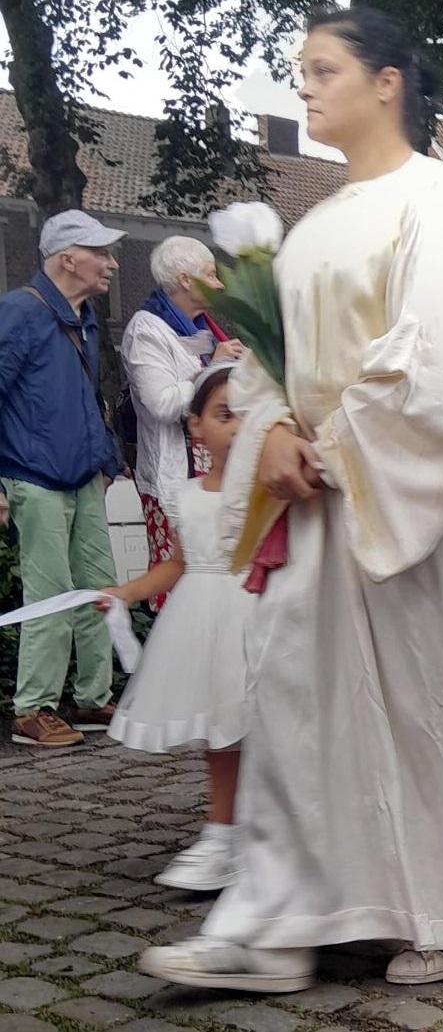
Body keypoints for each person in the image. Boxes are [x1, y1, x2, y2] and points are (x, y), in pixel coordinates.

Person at [138, 6, 443, 992]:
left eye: (322, 69)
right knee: (297, 703)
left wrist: (336, 444)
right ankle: (282, 923)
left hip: (415, 493)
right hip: (315, 495)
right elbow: (275, 363)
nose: (304, 87)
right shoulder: (315, 227)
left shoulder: (436, 203)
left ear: (386, 82)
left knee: (421, 700)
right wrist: (271, 429)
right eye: (300, 71)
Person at [101, 366, 250, 891]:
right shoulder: (188, 495)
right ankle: (222, 831)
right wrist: (127, 592)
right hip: (206, 619)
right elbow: (176, 564)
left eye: (247, 414)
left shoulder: (268, 490)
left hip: (258, 617)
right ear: (196, 426)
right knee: (220, 734)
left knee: (262, 728)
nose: (236, 426)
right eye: (223, 414)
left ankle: (262, 831)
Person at [0, 210, 125, 749]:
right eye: (101, 252)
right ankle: (33, 708)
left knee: (99, 589)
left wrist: (105, 463)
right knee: (51, 593)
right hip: (35, 476)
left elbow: (80, 399)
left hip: (81, 475)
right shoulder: (18, 312)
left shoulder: (85, 317)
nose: (112, 263)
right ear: (66, 258)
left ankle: (91, 697)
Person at [122, 236, 244, 609]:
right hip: (176, 480)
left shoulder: (202, 330)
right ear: (185, 279)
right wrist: (209, 370)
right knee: (175, 577)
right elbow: (161, 402)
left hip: (215, 477)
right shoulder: (147, 329)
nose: (220, 284)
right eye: (211, 274)